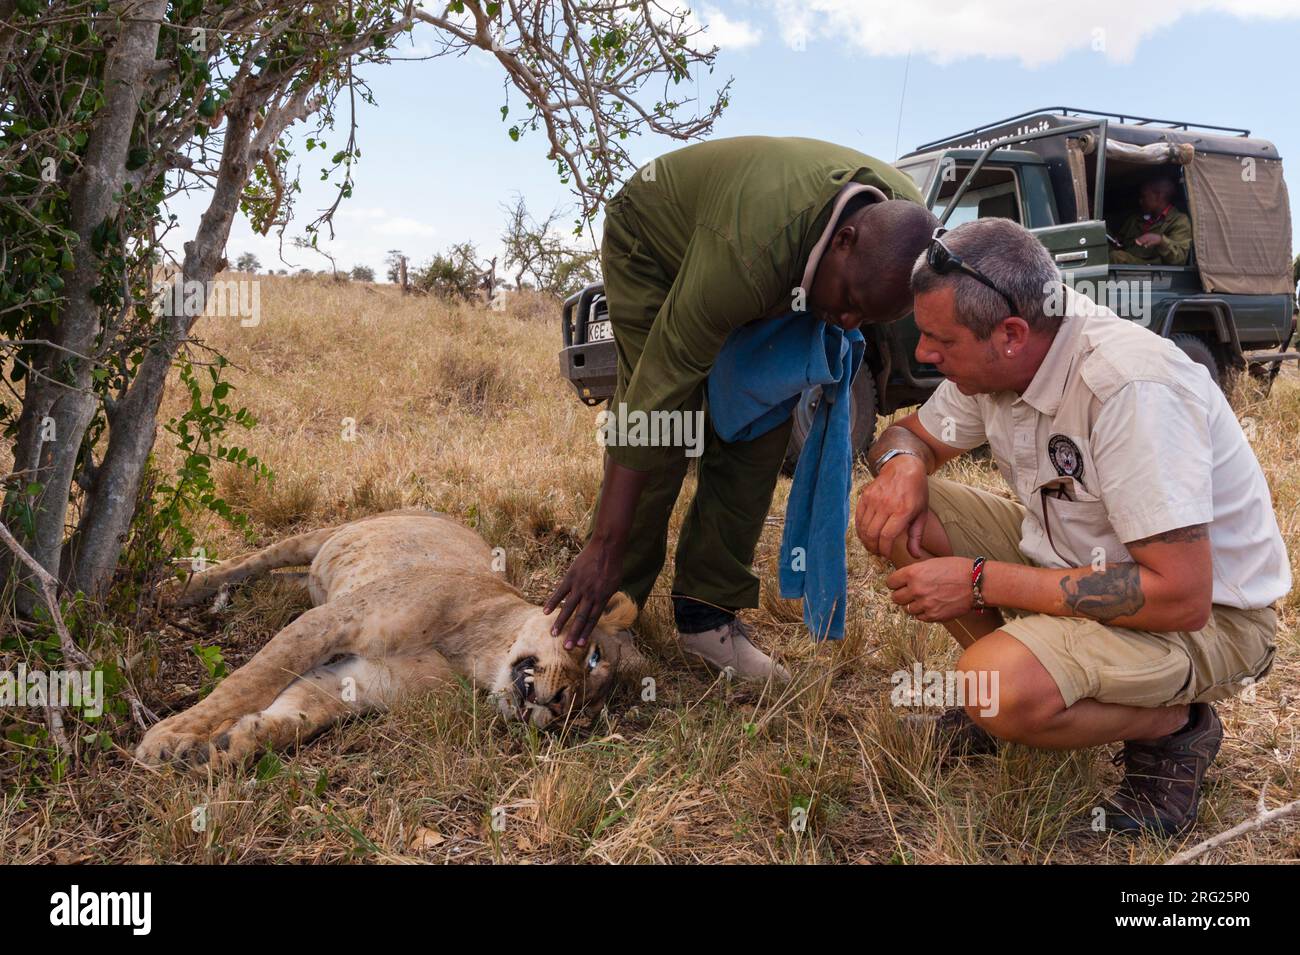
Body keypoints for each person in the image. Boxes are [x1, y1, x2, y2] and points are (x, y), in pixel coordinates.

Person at [855, 217, 1288, 835]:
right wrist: (901, 465)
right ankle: (1016, 698)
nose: (924, 354)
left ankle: (1175, 729)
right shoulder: (1007, 355)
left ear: (1010, 334)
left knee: (992, 684)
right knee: (898, 515)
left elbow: (1181, 596)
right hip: (1078, 565)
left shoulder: (1130, 387)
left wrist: (980, 581)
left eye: (939, 341)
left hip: (1215, 617)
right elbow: (906, 435)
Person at [544, 136, 938, 681]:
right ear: (844, 240)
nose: (846, 321)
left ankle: (706, 616)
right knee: (667, 422)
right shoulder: (746, 254)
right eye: (848, 302)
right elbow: (653, 395)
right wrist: (604, 542)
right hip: (656, 243)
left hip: (779, 259)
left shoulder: (901, 227)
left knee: (760, 414)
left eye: (863, 316)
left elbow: (832, 311)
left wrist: (842, 306)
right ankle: (613, 606)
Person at [1109, 175, 1192, 265]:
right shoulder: (1135, 219)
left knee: (1116, 257)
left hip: (1153, 270)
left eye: (1144, 196)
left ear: (1158, 196)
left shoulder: (1179, 221)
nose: (1140, 201)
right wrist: (1116, 241)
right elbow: (1120, 240)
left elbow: (1179, 258)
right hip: (1130, 264)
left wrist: (1160, 241)